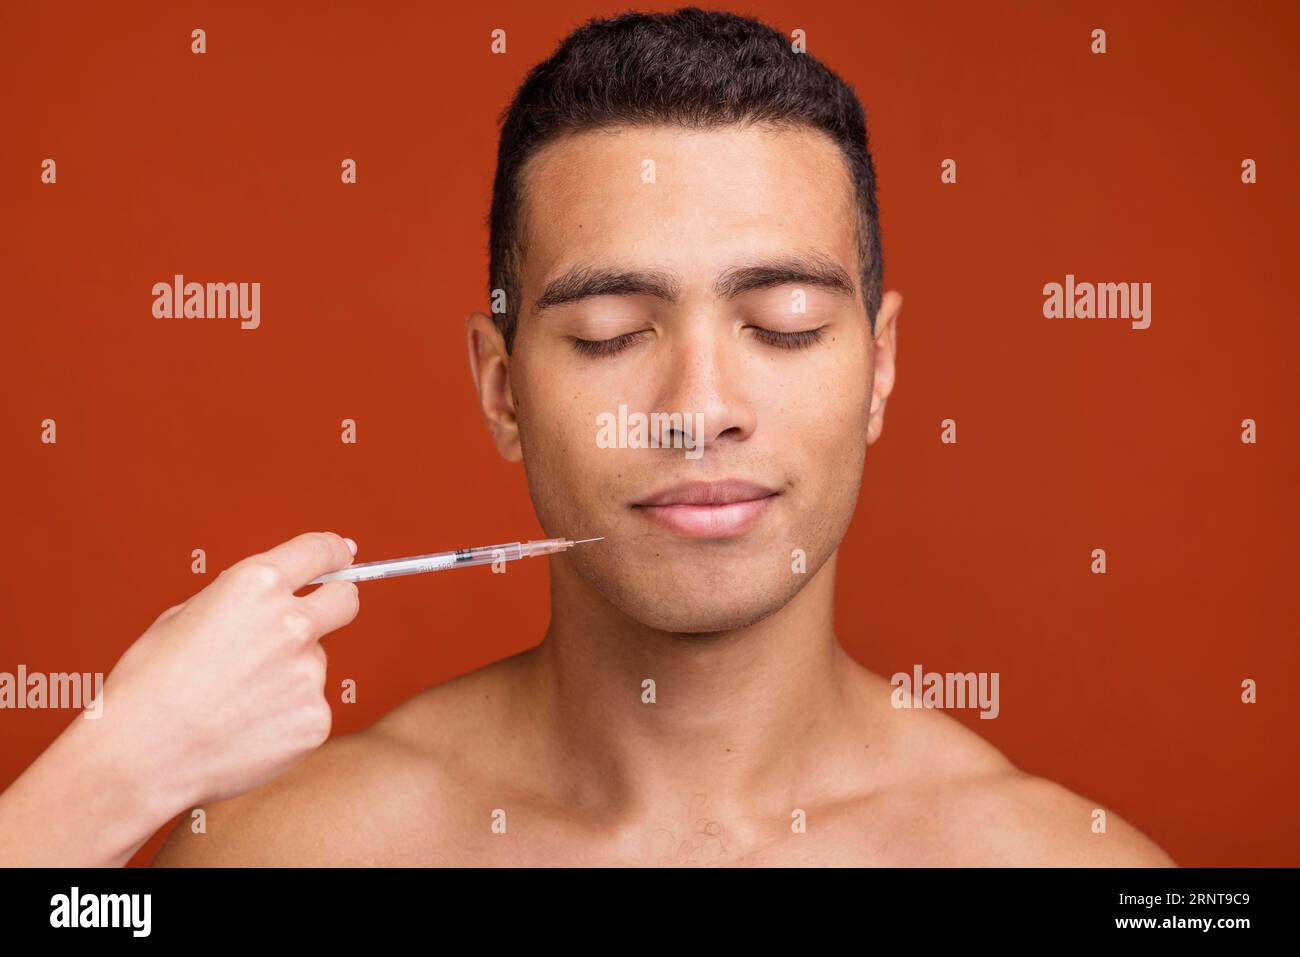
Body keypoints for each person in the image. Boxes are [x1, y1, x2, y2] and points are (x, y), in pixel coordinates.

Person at [3, 7, 1174, 867]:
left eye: (784, 323)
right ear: (502, 391)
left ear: (883, 369)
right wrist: (109, 776)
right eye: (613, 333)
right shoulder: (290, 852)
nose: (697, 404)